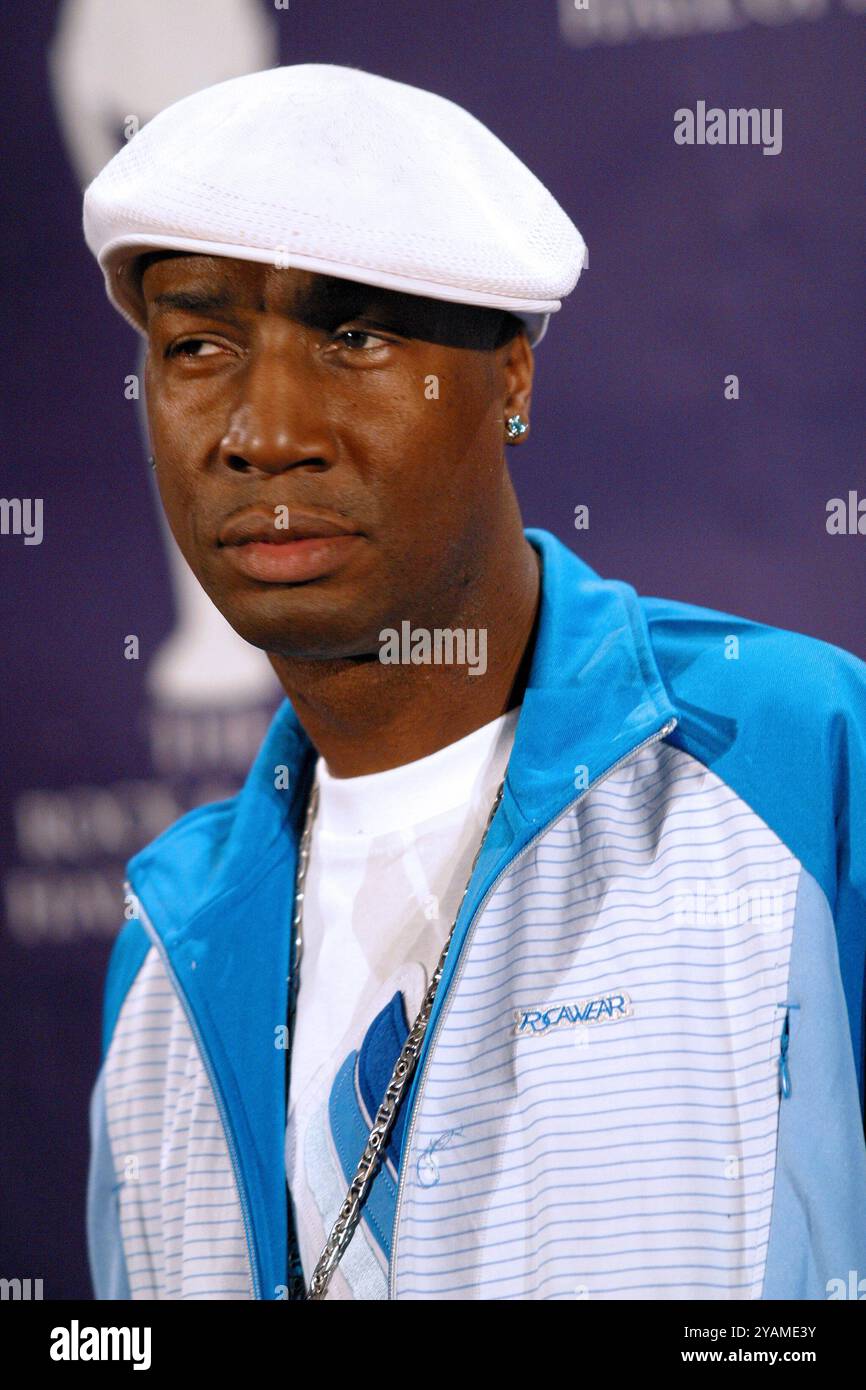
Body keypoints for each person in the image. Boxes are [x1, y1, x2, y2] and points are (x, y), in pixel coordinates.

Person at [83, 63, 866, 1302]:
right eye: (199, 345)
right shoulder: (167, 950)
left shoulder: (801, 757)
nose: (264, 432)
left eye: (353, 337)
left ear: (508, 379)